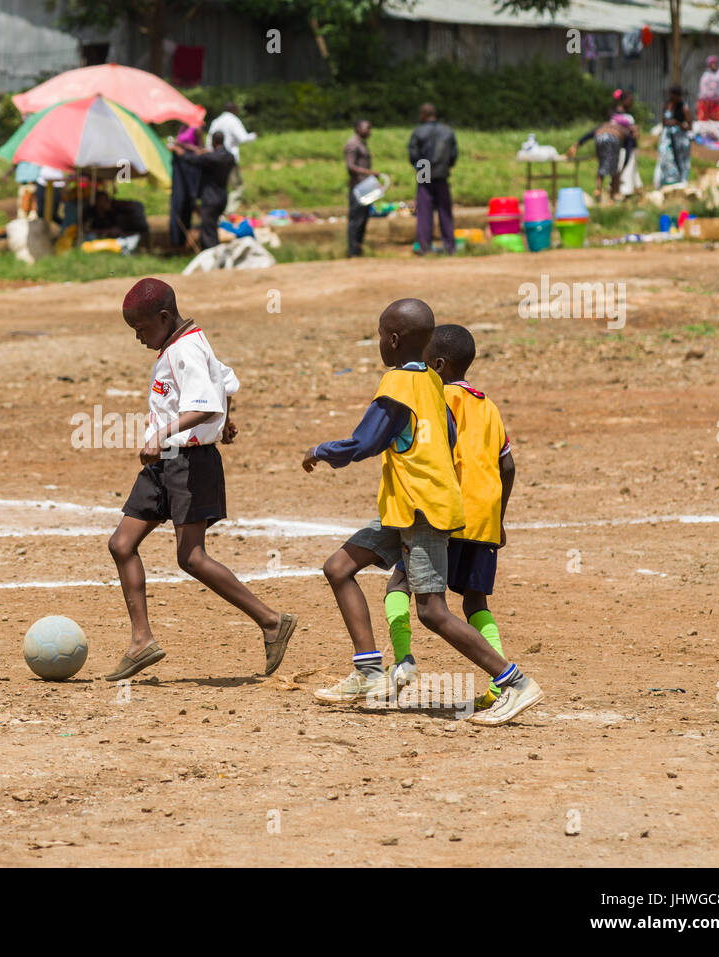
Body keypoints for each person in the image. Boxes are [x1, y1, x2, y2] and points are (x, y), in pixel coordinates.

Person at [302, 298, 542, 726]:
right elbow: (448, 436)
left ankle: (515, 682)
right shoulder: (432, 383)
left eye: (379, 335)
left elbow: (365, 442)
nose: (379, 343)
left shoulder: (398, 384)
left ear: (392, 340)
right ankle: (370, 672)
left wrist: (321, 451)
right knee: (339, 567)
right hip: (407, 506)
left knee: (432, 610)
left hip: (422, 510)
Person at [105, 277, 297, 682]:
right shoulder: (187, 342)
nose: (139, 339)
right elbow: (225, 382)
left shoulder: (185, 349)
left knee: (191, 556)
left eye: (141, 330)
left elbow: (206, 405)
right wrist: (228, 419)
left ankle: (271, 621)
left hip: (188, 463)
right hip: (168, 462)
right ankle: (142, 641)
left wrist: (164, 432)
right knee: (122, 544)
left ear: (162, 317)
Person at [383, 324, 515, 712]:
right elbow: (507, 466)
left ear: (437, 365)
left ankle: (403, 660)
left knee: (401, 582)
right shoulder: (487, 404)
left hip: (445, 514)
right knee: (475, 602)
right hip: (485, 519)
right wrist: (500, 518)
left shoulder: (436, 395)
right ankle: (498, 682)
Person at [408, 102, 458, 255]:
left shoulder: (418, 132)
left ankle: (425, 247)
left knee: (424, 211)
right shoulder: (448, 132)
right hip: (442, 173)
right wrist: (445, 167)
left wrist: (422, 168)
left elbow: (413, 156)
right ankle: (450, 247)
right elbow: (453, 155)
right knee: (445, 210)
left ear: (423, 115)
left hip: (424, 171)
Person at [172, 131, 236, 250]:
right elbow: (210, 155)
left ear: (213, 142)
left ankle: (212, 256)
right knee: (213, 226)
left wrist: (178, 150)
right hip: (222, 197)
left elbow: (192, 159)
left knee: (208, 230)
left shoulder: (209, 158)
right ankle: (216, 251)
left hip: (210, 198)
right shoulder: (229, 157)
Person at [568, 112, 637, 204]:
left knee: (602, 164)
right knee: (614, 170)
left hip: (599, 138)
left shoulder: (605, 125)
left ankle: (598, 189)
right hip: (614, 140)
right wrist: (623, 167)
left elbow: (589, 134)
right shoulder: (626, 131)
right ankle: (612, 198)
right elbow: (628, 152)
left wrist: (577, 144)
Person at [207, 103, 255, 211]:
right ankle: (228, 212)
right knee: (237, 187)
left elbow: (209, 141)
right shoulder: (234, 120)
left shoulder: (216, 121)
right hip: (229, 160)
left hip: (214, 159)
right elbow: (243, 138)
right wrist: (253, 136)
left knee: (220, 186)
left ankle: (218, 212)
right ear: (234, 110)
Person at [345, 119, 377, 258]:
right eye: (366, 128)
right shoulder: (352, 144)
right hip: (357, 187)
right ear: (357, 128)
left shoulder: (361, 144)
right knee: (356, 219)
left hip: (365, 186)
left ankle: (358, 249)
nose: (369, 131)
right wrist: (370, 173)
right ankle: (352, 251)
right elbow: (350, 167)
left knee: (363, 218)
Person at [656, 86, 692, 188]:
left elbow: (689, 126)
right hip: (667, 138)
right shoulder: (666, 105)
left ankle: (680, 182)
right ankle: (666, 182)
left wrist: (677, 123)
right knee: (665, 158)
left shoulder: (684, 107)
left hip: (680, 138)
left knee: (681, 160)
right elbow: (663, 122)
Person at [696, 55, 719, 128]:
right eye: (712, 63)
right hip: (707, 102)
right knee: (704, 117)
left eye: (715, 63)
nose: (714, 65)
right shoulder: (706, 75)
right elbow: (703, 89)